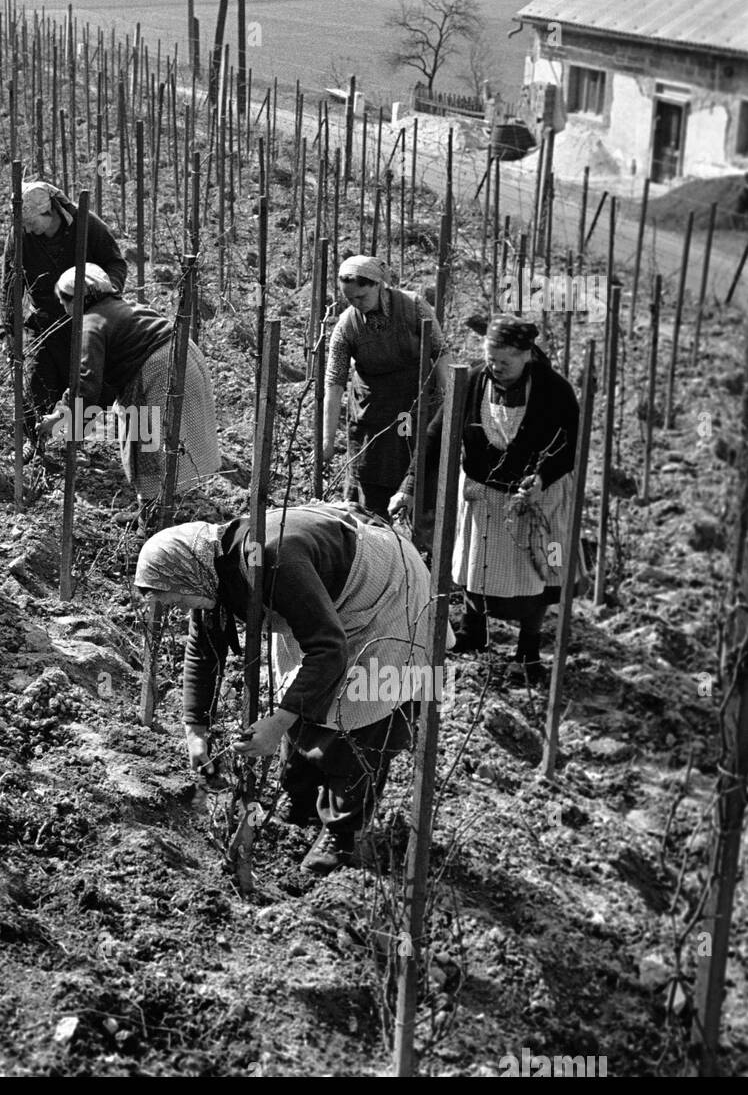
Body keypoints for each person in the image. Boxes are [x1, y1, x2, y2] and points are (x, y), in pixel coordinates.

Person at [133, 501, 433, 876]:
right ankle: (299, 795)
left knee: (364, 703)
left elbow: (327, 649)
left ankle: (343, 833)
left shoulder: (271, 561)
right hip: (327, 601)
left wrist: (275, 726)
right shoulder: (208, 569)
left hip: (383, 588)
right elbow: (203, 650)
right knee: (299, 689)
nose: (177, 609)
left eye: (175, 600)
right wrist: (195, 729)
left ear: (186, 576)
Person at [390, 315, 580, 686]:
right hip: (483, 493)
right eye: (491, 359)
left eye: (504, 362)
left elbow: (570, 447)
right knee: (476, 564)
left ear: (526, 356)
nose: (496, 368)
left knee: (537, 570)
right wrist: (409, 487)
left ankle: (528, 650)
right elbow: (434, 435)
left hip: (536, 498)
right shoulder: (474, 380)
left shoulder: (555, 391)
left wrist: (541, 479)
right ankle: (472, 630)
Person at [38, 264, 220, 509]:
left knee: (146, 445)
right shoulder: (124, 307)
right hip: (185, 355)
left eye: (64, 304)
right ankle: (164, 507)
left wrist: (58, 420)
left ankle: (154, 515)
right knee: (169, 438)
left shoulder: (90, 324)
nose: (65, 311)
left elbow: (86, 388)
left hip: (158, 370)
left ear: (76, 301)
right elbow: (102, 387)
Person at [0, 181, 128, 445]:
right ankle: (34, 445)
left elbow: (115, 263)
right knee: (38, 382)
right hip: (45, 322)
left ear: (49, 214)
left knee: (89, 385)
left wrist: (105, 294)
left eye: (31, 223)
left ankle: (73, 442)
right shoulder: (20, 235)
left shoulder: (87, 227)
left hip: (85, 320)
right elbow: (10, 284)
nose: (25, 229)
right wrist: (11, 330)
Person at [322, 254, 446, 519]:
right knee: (372, 475)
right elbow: (334, 383)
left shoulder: (414, 307)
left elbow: (440, 351)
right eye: (349, 299)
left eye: (361, 297)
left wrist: (446, 402)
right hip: (373, 411)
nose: (356, 304)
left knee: (418, 466)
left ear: (378, 285)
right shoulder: (347, 326)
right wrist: (327, 440)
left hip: (415, 403)